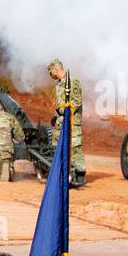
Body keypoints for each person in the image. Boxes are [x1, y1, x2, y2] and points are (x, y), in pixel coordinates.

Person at [48, 58, 84, 187]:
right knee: (60, 147)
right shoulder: (59, 84)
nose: (50, 75)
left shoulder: (72, 81)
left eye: (51, 72)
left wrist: (62, 111)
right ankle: (65, 174)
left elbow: (76, 102)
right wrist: (56, 115)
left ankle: (79, 175)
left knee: (74, 147)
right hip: (62, 121)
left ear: (56, 69)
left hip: (72, 121)